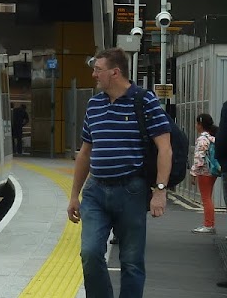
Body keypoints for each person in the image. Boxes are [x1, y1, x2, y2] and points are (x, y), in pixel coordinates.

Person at [68, 47, 171, 298]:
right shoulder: (94, 104)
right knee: (90, 252)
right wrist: (74, 195)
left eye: (98, 70)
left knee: (132, 261)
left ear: (115, 72)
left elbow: (165, 148)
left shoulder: (144, 101)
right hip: (95, 191)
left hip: (131, 190)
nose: (94, 75)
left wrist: (160, 191)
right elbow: (85, 153)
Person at [190, 113, 218, 234]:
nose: (196, 126)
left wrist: (193, 173)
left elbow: (199, 158)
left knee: (206, 199)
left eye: (197, 124)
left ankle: (208, 225)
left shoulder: (202, 139)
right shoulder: (213, 137)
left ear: (200, 125)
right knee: (208, 198)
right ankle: (209, 223)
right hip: (212, 171)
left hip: (204, 172)